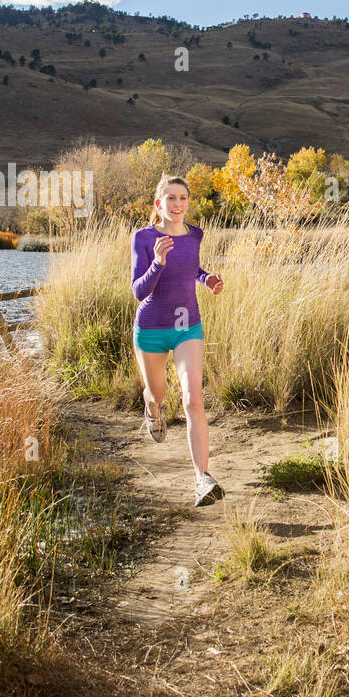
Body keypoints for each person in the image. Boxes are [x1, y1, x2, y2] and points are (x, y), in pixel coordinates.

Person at [130, 175, 225, 506]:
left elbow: (192, 269)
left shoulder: (195, 234)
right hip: (152, 328)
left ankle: (202, 479)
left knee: (193, 399)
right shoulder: (143, 238)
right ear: (159, 204)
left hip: (188, 327)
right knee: (158, 394)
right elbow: (139, 291)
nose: (177, 203)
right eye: (170, 198)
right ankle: (152, 407)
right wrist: (157, 261)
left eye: (182, 198)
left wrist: (207, 278)